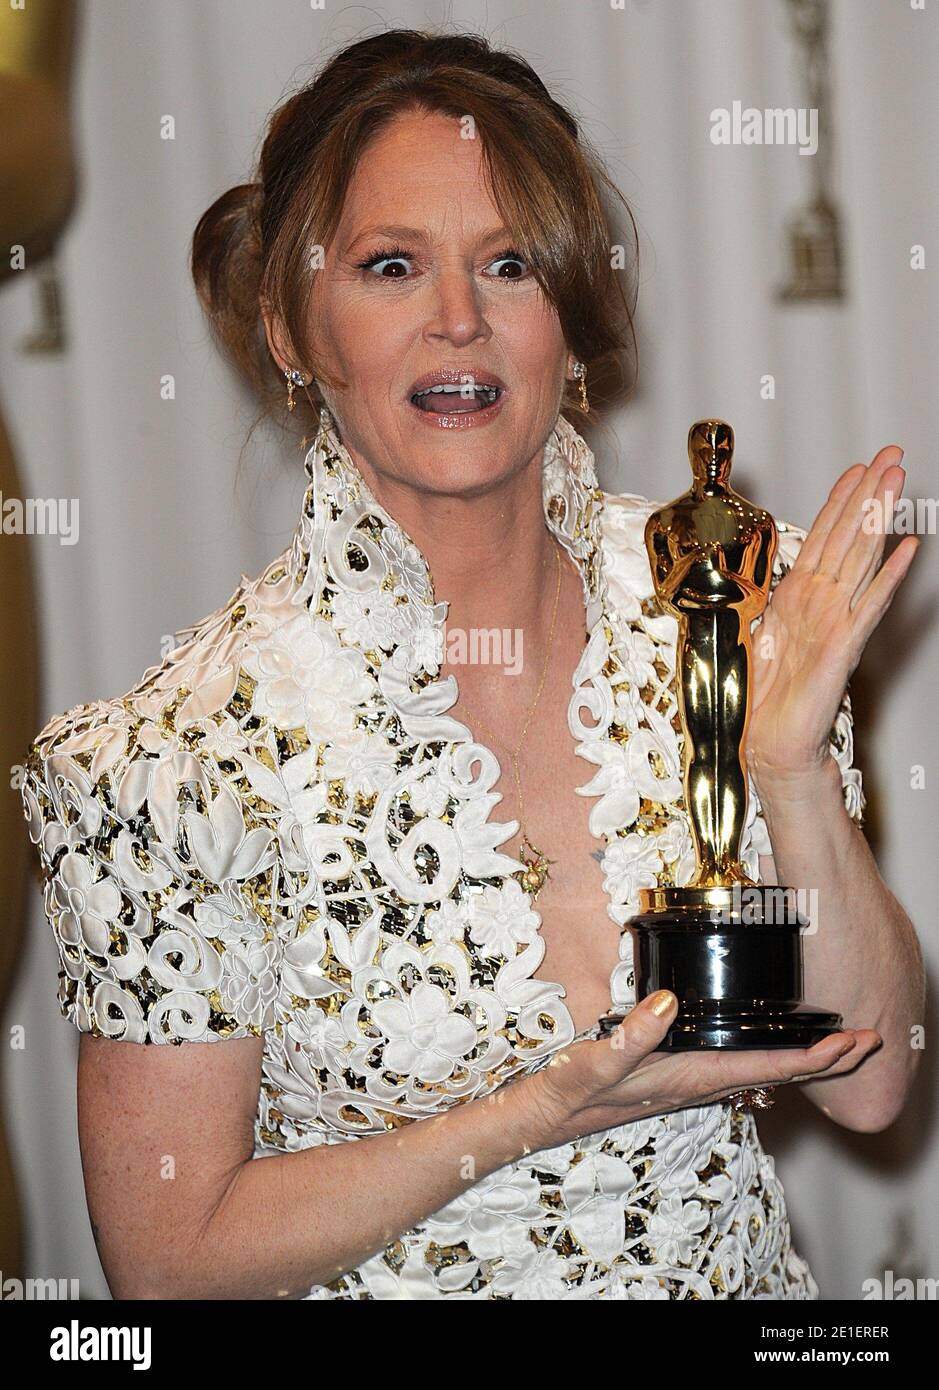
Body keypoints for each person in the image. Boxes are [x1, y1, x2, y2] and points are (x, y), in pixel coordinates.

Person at [20, 29, 923, 1301]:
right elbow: (166, 1267)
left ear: (572, 314)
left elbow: (876, 1080)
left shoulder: (720, 608)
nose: (459, 321)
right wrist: (544, 1109)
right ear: (289, 324)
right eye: (392, 266)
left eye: (509, 265)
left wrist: (785, 768)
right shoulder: (179, 761)